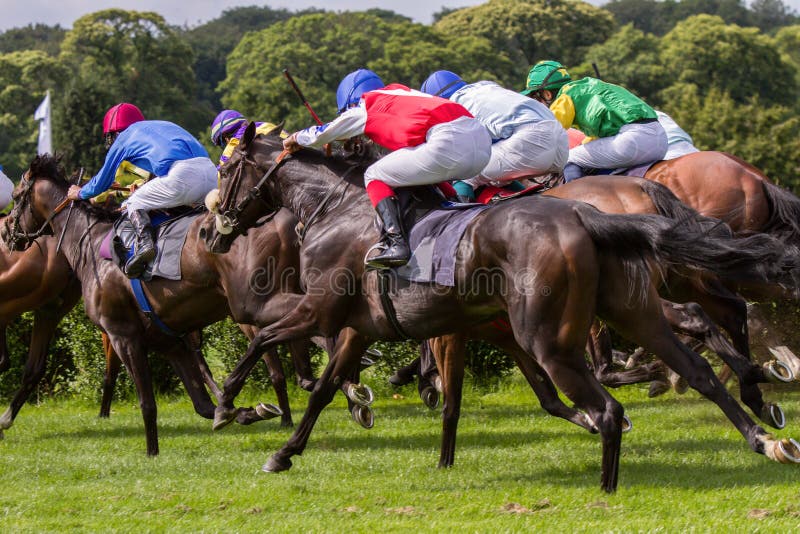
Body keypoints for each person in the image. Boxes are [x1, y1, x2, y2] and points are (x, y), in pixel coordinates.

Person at [282, 68, 492, 268]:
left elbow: (325, 132)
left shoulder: (366, 105)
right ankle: (456, 202)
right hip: (482, 146)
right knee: (416, 165)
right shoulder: (402, 94)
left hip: (450, 141)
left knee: (374, 175)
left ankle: (397, 243)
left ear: (351, 103)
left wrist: (296, 138)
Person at [67, 103, 217, 278]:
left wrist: (79, 193)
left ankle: (145, 245)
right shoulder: (162, 125)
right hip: (211, 173)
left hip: (183, 176)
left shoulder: (123, 138)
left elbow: (101, 182)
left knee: (133, 202)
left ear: (114, 133)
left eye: (110, 138)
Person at [420, 70, 568, 200]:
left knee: (466, 174)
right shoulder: (486, 88)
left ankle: (459, 219)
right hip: (561, 142)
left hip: (533, 138)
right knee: (498, 176)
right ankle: (535, 203)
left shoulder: (453, 105)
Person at [522, 60, 668, 182]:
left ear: (547, 94)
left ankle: (578, 201)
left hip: (634, 140)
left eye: (536, 99)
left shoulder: (565, 96)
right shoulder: (589, 86)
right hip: (661, 140)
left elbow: (550, 131)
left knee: (568, 159)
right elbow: (597, 139)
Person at [210, 109, 286, 168]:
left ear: (225, 137)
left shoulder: (233, 145)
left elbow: (220, 176)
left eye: (223, 142)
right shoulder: (266, 125)